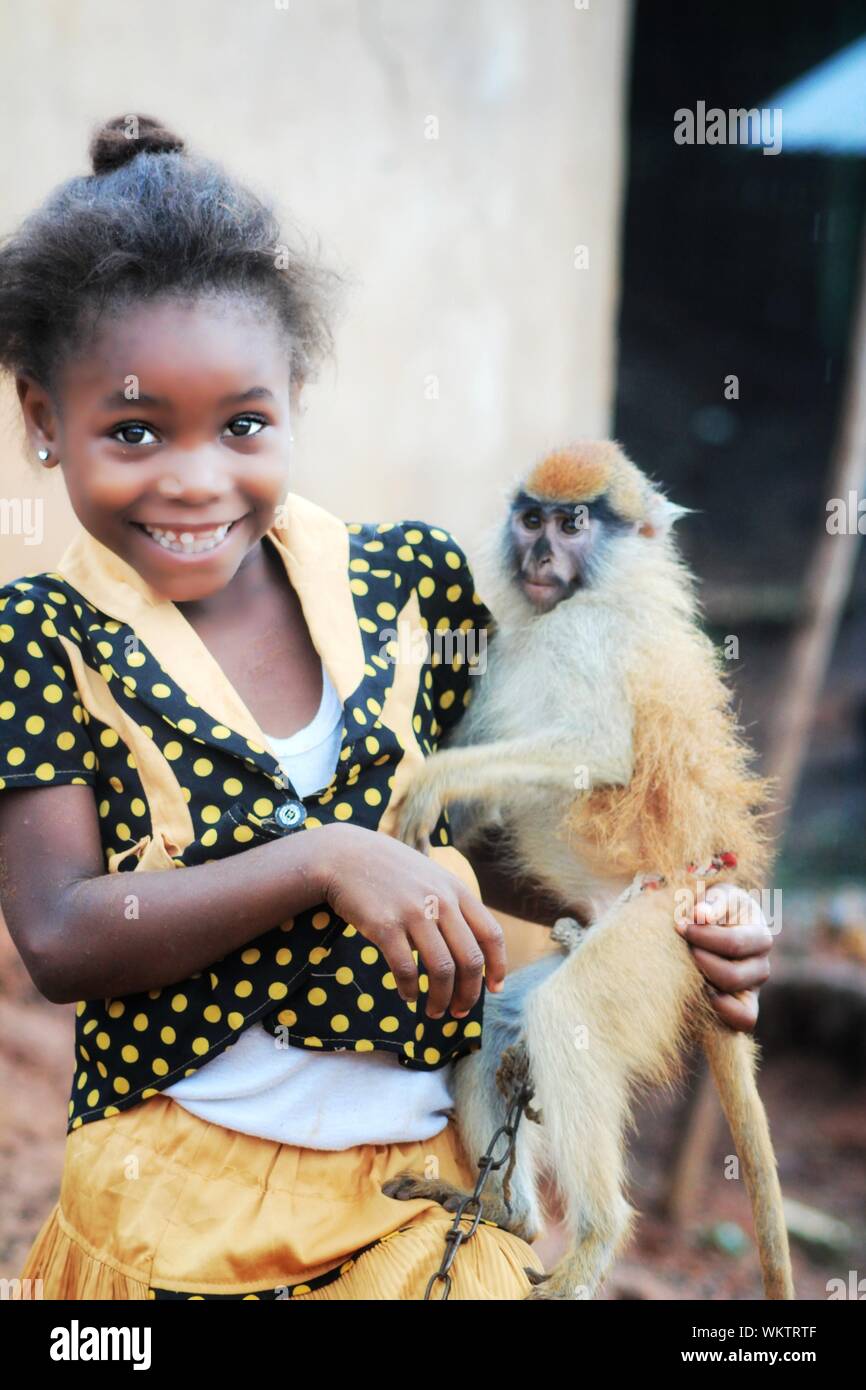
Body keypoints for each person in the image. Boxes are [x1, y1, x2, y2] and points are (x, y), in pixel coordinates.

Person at [0, 114, 774, 1300]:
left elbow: (494, 833)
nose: (195, 476)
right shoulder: (40, 638)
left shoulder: (405, 583)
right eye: (134, 429)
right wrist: (321, 859)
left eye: (243, 423)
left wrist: (671, 913)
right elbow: (58, 935)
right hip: (180, 1209)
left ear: (296, 394)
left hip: (423, 1199)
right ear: (45, 422)